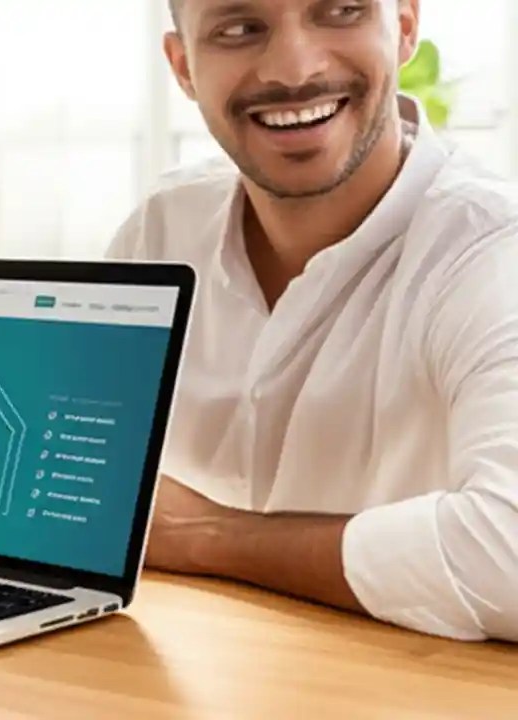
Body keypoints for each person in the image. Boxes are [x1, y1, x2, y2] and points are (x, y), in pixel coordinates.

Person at [110, 0, 517, 642]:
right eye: (239, 29)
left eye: (340, 11)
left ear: (405, 27)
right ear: (184, 66)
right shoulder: (160, 232)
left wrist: (207, 535)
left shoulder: (492, 250)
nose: (294, 68)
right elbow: (82, 494)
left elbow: (510, 560)